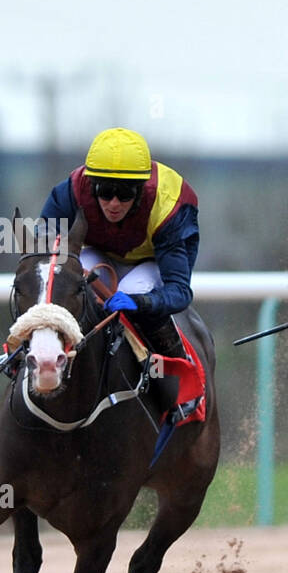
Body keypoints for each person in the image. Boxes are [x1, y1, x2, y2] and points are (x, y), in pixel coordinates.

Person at [37, 127, 201, 421]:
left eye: (125, 193)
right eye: (105, 191)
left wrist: (141, 302)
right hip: (97, 252)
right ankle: (24, 359)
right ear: (92, 185)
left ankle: (176, 384)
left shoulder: (170, 205)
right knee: (61, 277)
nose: (114, 203)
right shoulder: (71, 192)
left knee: (132, 292)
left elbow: (180, 292)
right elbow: (40, 247)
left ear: (141, 189)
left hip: (151, 261)